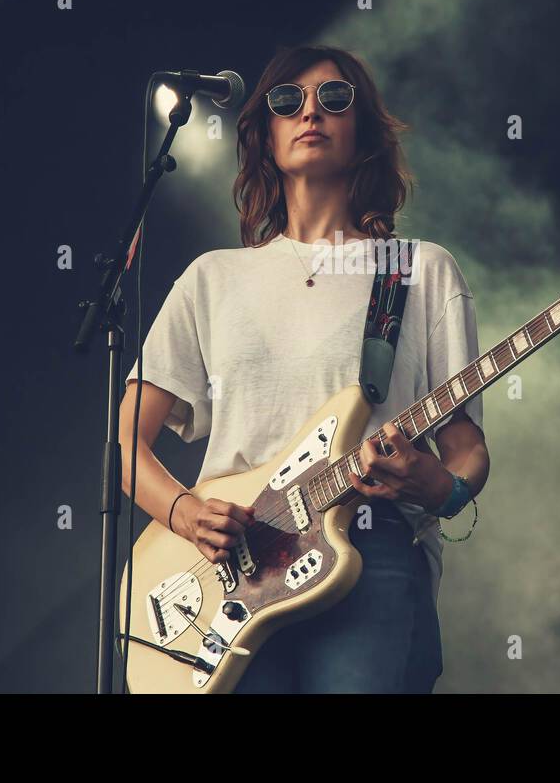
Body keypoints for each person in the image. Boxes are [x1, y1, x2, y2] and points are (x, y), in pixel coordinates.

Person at [118, 44, 490, 693]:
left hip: (367, 548)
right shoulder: (212, 279)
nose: (310, 112)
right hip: (230, 561)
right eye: (287, 102)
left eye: (335, 99)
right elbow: (123, 445)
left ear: (364, 131)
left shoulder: (418, 270)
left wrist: (441, 487)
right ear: (265, 135)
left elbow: (465, 451)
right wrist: (181, 513)